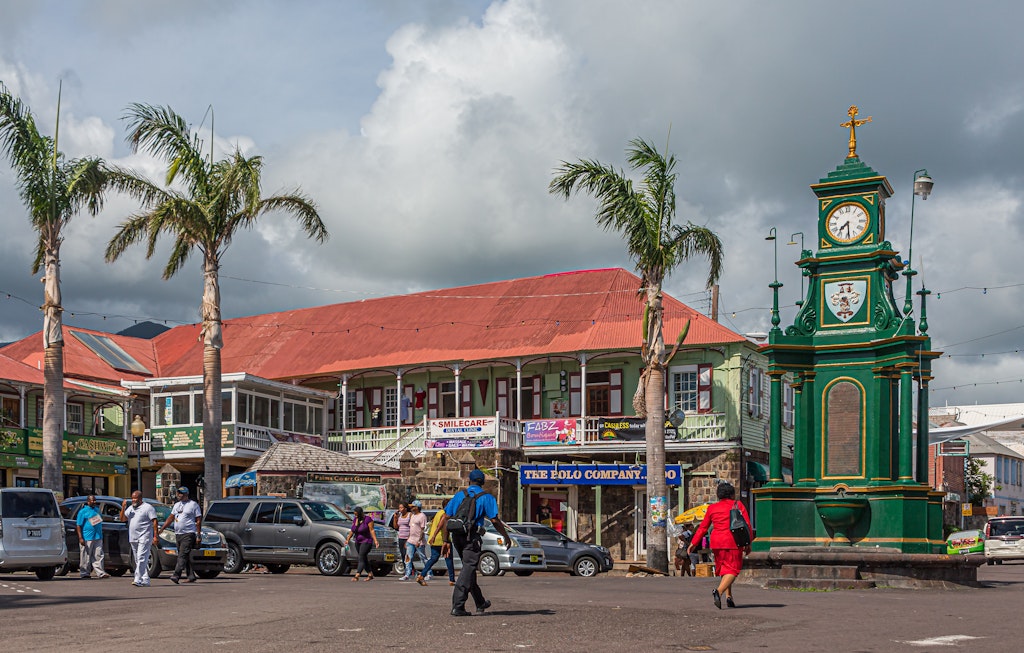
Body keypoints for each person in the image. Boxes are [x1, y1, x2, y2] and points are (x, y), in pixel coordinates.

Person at [439, 468, 511, 617]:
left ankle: (480, 602)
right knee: (468, 568)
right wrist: (505, 536)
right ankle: (457, 605)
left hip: (457, 536)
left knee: (469, 568)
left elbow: (446, 518)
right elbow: (494, 520)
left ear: (469, 481)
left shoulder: (460, 495)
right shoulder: (487, 498)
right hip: (471, 537)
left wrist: (445, 541)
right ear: (483, 483)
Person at [687, 482, 751, 609]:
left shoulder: (712, 508)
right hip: (734, 540)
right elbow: (747, 525)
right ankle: (719, 591)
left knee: (724, 569)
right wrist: (748, 543)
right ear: (732, 494)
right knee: (733, 570)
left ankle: (729, 597)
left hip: (716, 542)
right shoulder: (737, 505)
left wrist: (693, 543)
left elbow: (702, 528)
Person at [158, 486, 203, 584]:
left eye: (181, 493)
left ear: (186, 494)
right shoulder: (177, 505)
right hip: (178, 534)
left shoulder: (193, 505)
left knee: (182, 555)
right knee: (184, 555)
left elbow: (198, 520)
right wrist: (162, 528)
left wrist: (198, 535)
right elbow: (171, 518)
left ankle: (176, 575)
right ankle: (191, 576)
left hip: (188, 534)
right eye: (178, 493)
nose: (179, 495)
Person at [119, 491, 158, 587]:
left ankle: (138, 579)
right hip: (133, 537)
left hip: (144, 536)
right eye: (132, 498)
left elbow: (155, 522)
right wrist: (123, 507)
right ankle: (145, 579)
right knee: (138, 559)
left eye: (135, 498)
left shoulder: (148, 508)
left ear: (140, 499)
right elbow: (123, 519)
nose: (133, 500)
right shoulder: (131, 508)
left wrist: (155, 536)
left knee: (141, 557)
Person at [75, 495, 110, 579]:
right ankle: (85, 573)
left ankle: (100, 573)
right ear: (88, 501)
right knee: (86, 555)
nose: (94, 502)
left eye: (95, 500)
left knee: (98, 554)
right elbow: (78, 525)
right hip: (87, 537)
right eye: (92, 500)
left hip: (97, 536)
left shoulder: (97, 510)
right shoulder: (82, 512)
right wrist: (80, 538)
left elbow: (99, 520)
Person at [422, 507, 456, 586]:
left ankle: (422, 575)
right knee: (449, 559)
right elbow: (441, 526)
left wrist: (433, 536)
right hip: (442, 539)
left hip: (434, 541)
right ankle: (452, 580)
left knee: (433, 558)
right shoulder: (445, 515)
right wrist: (437, 536)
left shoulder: (438, 513)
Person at [345, 506, 379, 581]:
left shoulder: (368, 520)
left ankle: (357, 575)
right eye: (354, 514)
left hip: (367, 541)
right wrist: (348, 539)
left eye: (356, 514)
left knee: (361, 556)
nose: (355, 515)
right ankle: (370, 574)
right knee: (363, 558)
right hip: (358, 541)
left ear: (360, 513)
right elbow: (352, 530)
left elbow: (372, 530)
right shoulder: (355, 519)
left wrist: (375, 540)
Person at [406, 500, 430, 585]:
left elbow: (423, 529)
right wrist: (408, 539)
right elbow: (411, 528)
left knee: (423, 557)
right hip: (411, 540)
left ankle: (428, 572)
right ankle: (407, 574)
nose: (411, 508)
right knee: (408, 557)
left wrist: (419, 540)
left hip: (418, 540)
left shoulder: (422, 516)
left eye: (413, 506)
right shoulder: (412, 516)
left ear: (417, 507)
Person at [391, 502, 412, 580]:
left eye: (401, 508)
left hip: (408, 537)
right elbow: (396, 527)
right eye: (399, 508)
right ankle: (408, 571)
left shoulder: (410, 515)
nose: (400, 509)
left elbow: (412, 527)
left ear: (405, 508)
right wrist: (395, 518)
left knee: (407, 555)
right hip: (401, 537)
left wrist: (409, 538)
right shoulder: (399, 516)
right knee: (403, 555)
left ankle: (409, 572)